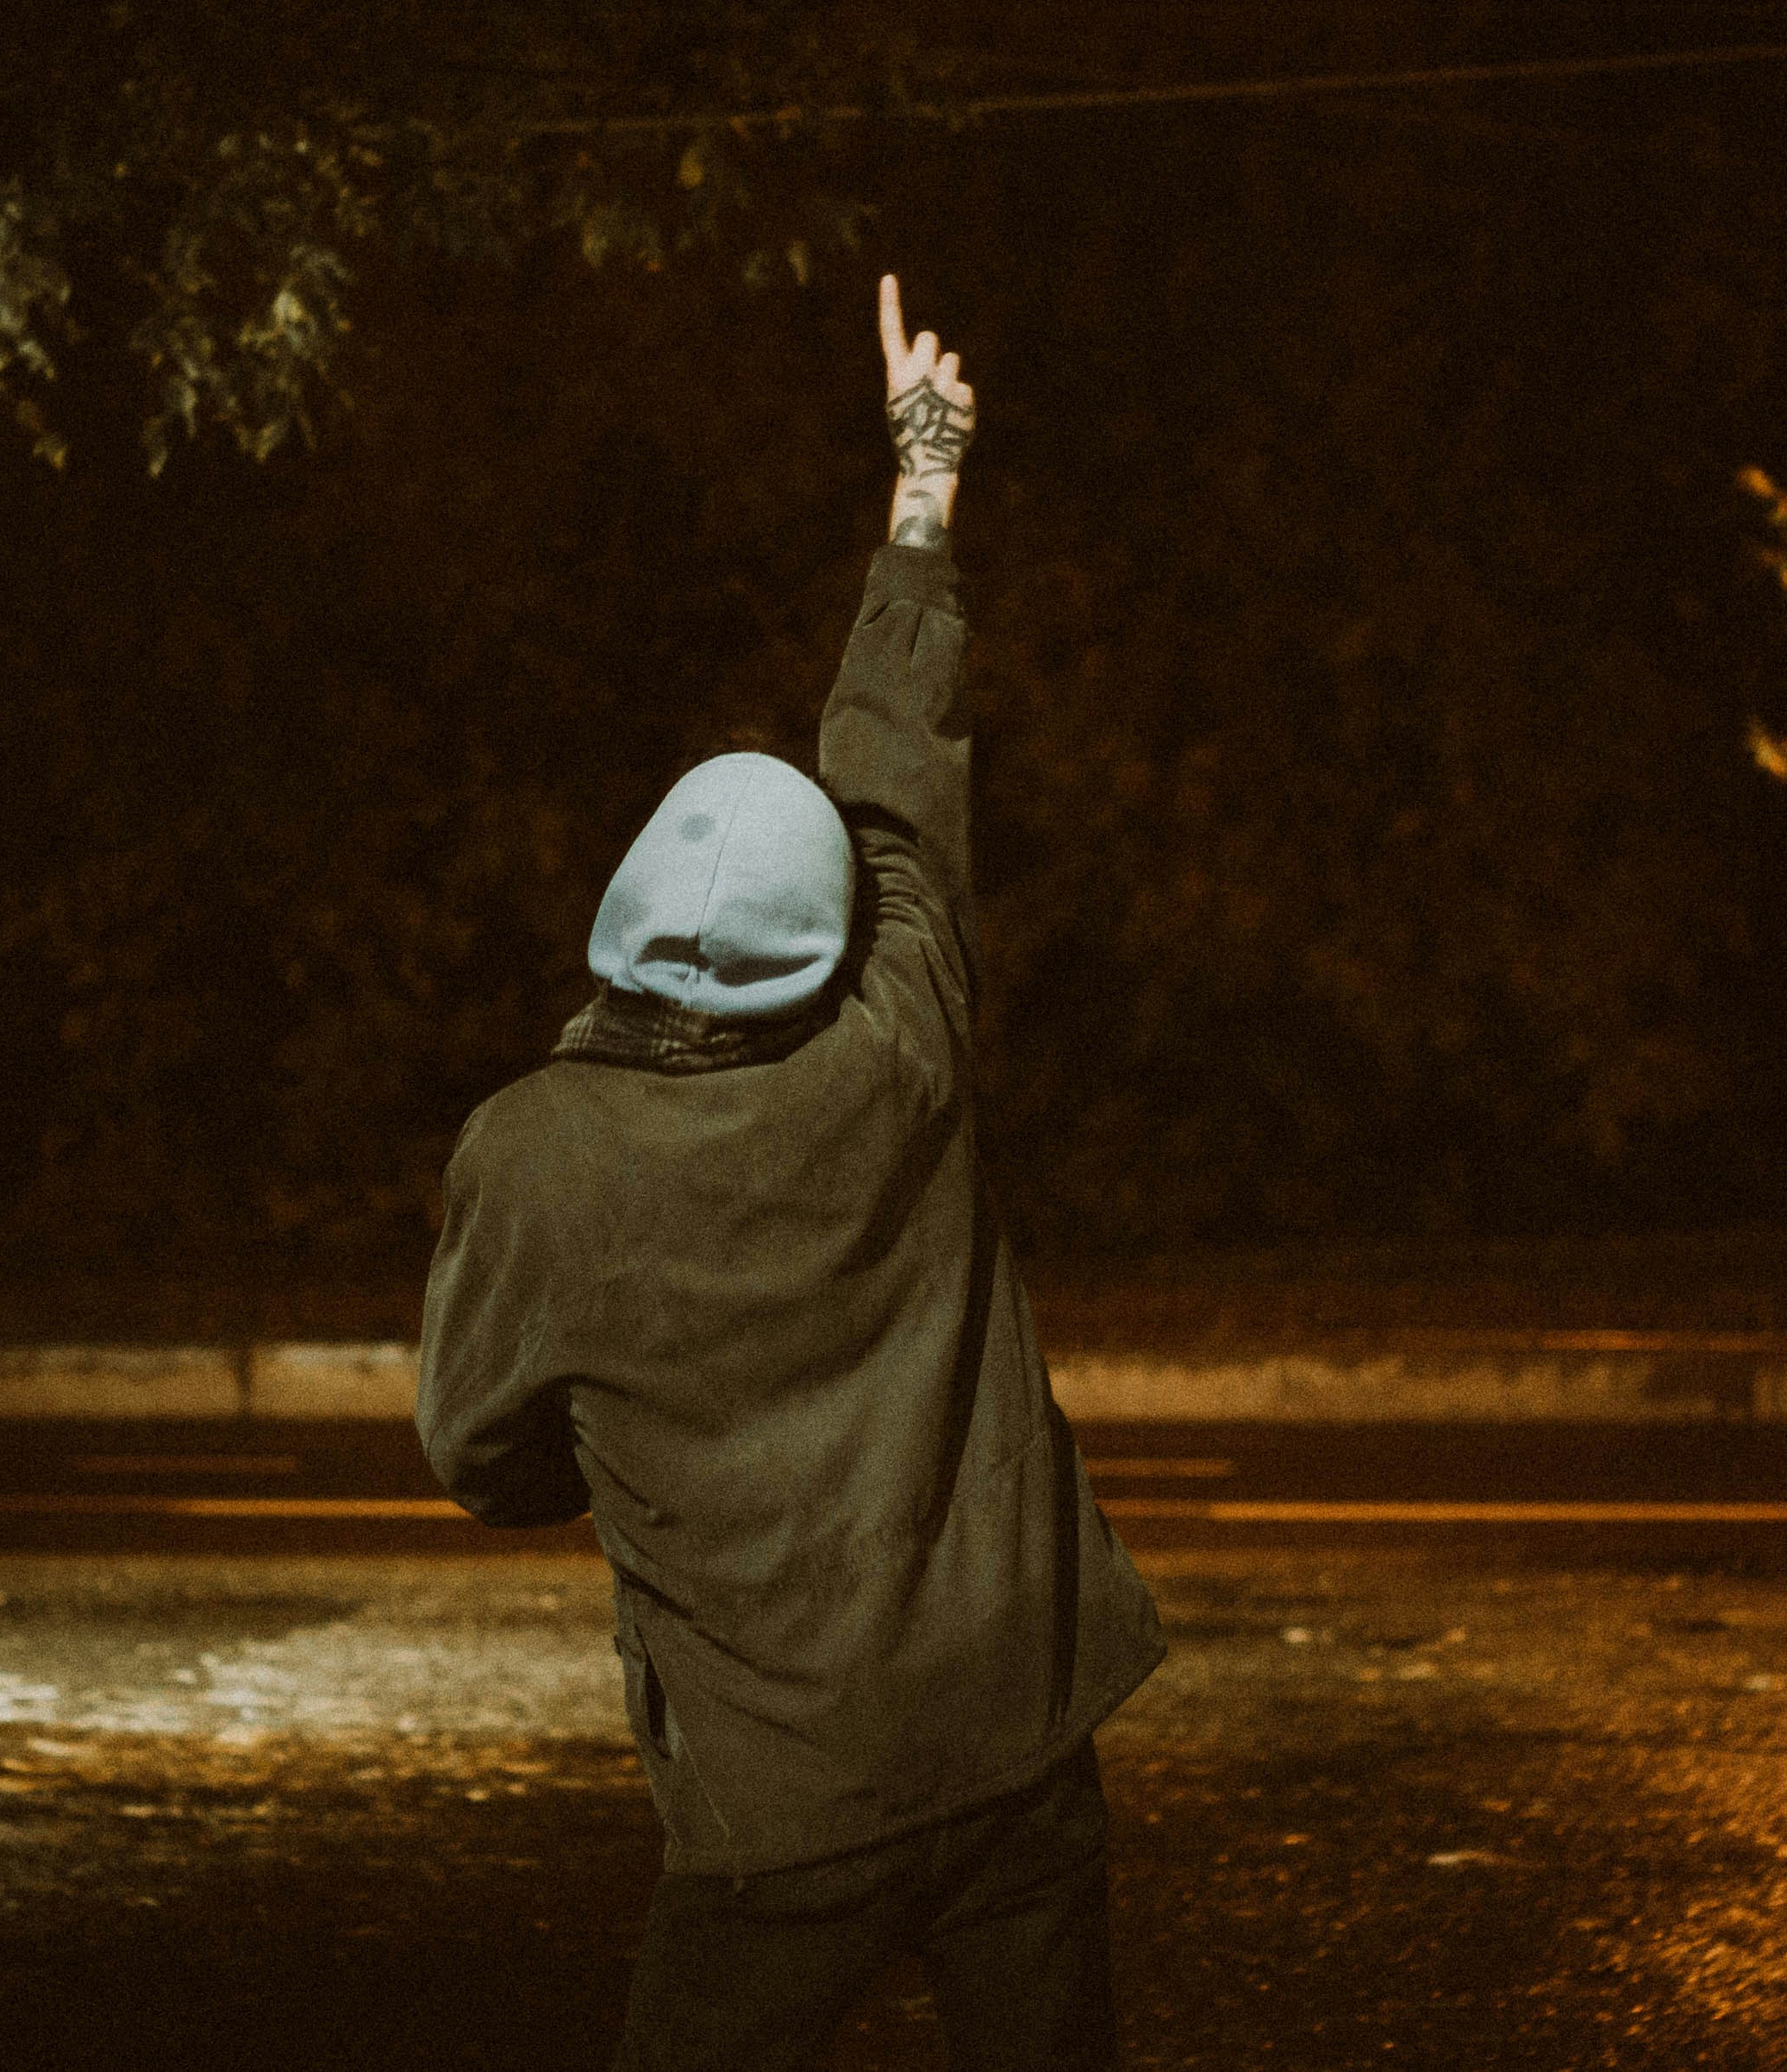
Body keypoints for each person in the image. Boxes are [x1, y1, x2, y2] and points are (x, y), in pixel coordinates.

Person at [416, 274, 1165, 2072]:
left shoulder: (535, 1154)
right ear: (825, 946)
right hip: (1012, 1724)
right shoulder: (902, 1045)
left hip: (780, 1790)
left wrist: (614, 1459)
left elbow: (476, 1451)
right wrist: (923, 491)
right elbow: (903, 797)